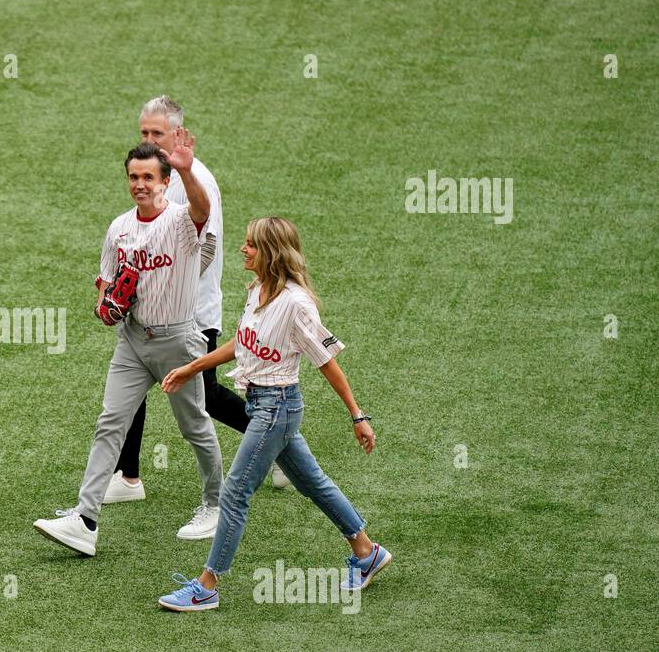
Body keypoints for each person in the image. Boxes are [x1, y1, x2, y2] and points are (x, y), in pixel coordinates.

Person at [155, 216, 392, 611]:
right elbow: (241, 343)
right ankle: (366, 551)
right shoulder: (258, 290)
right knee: (313, 483)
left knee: (235, 491)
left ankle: (206, 586)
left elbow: (327, 363)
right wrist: (194, 367)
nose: (243, 249)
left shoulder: (297, 305)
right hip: (262, 404)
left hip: (277, 407)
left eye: (251, 244)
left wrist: (357, 415)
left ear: (272, 252)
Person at [33, 134, 223, 556]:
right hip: (133, 343)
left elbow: (202, 210)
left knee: (194, 426)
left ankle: (215, 504)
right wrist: (107, 304)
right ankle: (85, 520)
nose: (140, 184)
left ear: (164, 180)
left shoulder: (180, 220)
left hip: (178, 342)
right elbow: (105, 282)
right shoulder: (118, 227)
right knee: (110, 423)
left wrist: (189, 169)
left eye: (149, 177)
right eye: (134, 177)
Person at [104, 97, 290, 511]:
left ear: (177, 134)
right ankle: (128, 474)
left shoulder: (190, 180)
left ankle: (281, 443)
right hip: (151, 313)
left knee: (203, 394)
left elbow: (199, 251)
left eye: (157, 133)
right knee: (132, 385)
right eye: (144, 133)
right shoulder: (157, 176)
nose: (150, 140)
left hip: (188, 313)